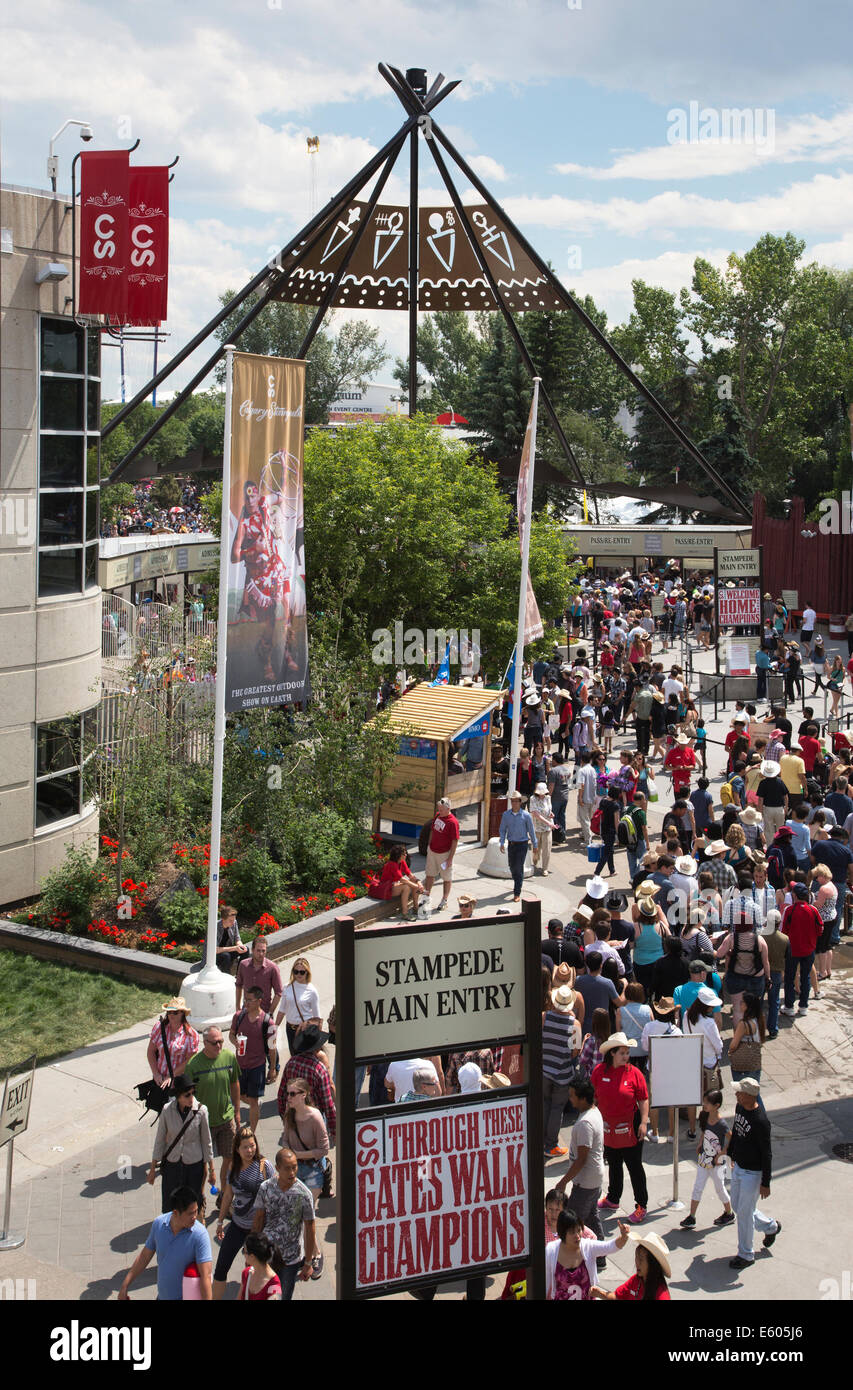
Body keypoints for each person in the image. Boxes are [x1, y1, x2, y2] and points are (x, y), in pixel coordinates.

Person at [591, 1033, 650, 1224]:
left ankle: (641, 1206)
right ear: (612, 1053)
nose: (626, 1057)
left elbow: (643, 1098)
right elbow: (593, 1097)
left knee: (634, 1167)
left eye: (627, 1053)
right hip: (607, 1128)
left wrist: (643, 1122)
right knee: (614, 1163)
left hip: (630, 1127)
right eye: (622, 1053)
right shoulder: (599, 1072)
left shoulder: (635, 1073)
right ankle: (613, 1199)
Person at [213, 1125, 276, 1298]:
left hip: (258, 1230)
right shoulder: (233, 1167)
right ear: (237, 1149)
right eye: (245, 1147)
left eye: (252, 1145)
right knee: (221, 1268)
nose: (250, 1150)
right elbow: (227, 1196)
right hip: (237, 1225)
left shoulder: (265, 1167)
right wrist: (219, 1222)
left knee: (253, 1272)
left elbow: (274, 1197)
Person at [119, 1185, 212, 1301]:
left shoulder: (200, 1235)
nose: (195, 1217)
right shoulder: (159, 1224)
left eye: (196, 1211)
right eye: (190, 1213)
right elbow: (144, 1256)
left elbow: (206, 1276)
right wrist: (125, 1285)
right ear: (176, 1213)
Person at [727, 1079, 780, 1270]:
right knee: (738, 1206)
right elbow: (736, 1132)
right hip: (739, 1166)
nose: (736, 1095)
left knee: (744, 1214)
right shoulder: (740, 1108)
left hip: (753, 1173)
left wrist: (765, 1182)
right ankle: (770, 1226)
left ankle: (746, 1254)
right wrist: (729, 1154)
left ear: (750, 1096)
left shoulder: (761, 1122)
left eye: (740, 1092)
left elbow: (767, 1153)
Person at [184, 1026, 242, 1200]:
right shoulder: (193, 1065)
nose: (219, 1045)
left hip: (226, 1118)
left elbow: (234, 1084)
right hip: (204, 1123)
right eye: (214, 1042)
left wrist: (237, 1111)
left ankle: (224, 1196)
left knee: (230, 1158)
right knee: (202, 1164)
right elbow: (188, 1096)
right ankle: (199, 1199)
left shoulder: (229, 1057)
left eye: (221, 1041)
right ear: (205, 1043)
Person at [281, 1076, 330, 1278]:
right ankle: (307, 1252)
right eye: (288, 1093)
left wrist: (297, 1155)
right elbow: (285, 1139)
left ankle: (315, 1255)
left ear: (304, 1095)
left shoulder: (315, 1117)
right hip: (294, 1169)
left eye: (293, 1094)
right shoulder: (289, 1115)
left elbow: (324, 1149)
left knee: (303, 1214)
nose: (289, 1097)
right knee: (299, 1215)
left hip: (313, 1172)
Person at [251, 1148, 317, 1297]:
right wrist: (252, 1252)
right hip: (267, 1255)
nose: (292, 1172)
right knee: (264, 1293)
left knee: (284, 1294)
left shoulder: (304, 1194)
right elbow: (258, 1219)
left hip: (291, 1259)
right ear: (277, 1168)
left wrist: (308, 1263)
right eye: (287, 1168)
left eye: (294, 1167)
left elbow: (310, 1227)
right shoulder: (266, 1188)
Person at [147, 1074, 215, 1213]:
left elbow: (206, 1141)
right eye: (187, 1095)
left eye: (192, 1094)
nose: (191, 1098)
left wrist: (212, 1170)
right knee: (170, 1204)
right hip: (172, 1164)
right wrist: (153, 1169)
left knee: (191, 1204)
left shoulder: (201, 1111)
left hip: (193, 1165)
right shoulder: (167, 1110)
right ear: (178, 1096)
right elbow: (159, 1140)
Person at [555, 1078, 606, 1240]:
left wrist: (563, 1182)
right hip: (594, 1179)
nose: (570, 1099)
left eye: (572, 1096)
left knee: (572, 1224)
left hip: (585, 1183)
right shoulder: (594, 1111)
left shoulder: (585, 1124)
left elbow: (581, 1160)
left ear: (583, 1098)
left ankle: (581, 1259)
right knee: (592, 1217)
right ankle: (600, 1256)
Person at [545, 1209, 631, 1300]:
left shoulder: (588, 1246)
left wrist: (623, 1237)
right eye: (572, 1232)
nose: (577, 1236)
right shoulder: (551, 1250)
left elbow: (609, 1247)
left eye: (579, 1230)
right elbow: (547, 1281)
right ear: (562, 1233)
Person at [680, 1089, 734, 1230]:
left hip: (717, 1164)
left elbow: (731, 1138)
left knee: (720, 1189)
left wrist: (722, 1153)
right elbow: (705, 1130)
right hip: (704, 1160)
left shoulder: (722, 1124)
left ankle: (729, 1213)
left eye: (707, 1103)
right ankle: (691, 1216)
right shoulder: (705, 1116)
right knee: (697, 1187)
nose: (704, 1105)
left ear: (716, 1105)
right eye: (704, 1102)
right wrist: (700, 1143)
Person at [230, 985, 279, 1132]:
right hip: (240, 1065)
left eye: (250, 1000)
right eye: (245, 999)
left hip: (257, 1066)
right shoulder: (238, 1016)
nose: (246, 1003)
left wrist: (272, 1069)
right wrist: (235, 1042)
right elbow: (231, 1034)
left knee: (252, 1100)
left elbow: (272, 1048)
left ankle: (251, 1132)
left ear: (259, 1001)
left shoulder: (268, 1023)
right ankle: (256, 1104)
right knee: (239, 1096)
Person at [279, 1026, 337, 1144]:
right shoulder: (319, 1070)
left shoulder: (291, 1063)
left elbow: (281, 1094)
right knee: (316, 1155)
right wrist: (334, 1130)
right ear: (317, 1048)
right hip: (313, 1119)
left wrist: (284, 1117)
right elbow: (328, 1104)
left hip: (293, 1116)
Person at [542, 984, 582, 1156]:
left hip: (544, 1069)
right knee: (557, 1108)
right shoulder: (575, 1024)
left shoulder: (544, 1017)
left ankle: (542, 1139)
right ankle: (551, 1145)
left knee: (544, 1105)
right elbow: (576, 1051)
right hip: (563, 1073)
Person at [779, 882, 823, 1016]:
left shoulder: (789, 910)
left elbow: (783, 931)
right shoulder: (813, 910)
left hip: (792, 949)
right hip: (809, 949)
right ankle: (803, 1006)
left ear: (794, 895)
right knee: (805, 977)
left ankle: (789, 1006)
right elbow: (820, 929)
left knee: (790, 978)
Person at [591, 1230, 672, 1300]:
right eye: (636, 1257)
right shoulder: (636, 1280)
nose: (637, 1263)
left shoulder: (661, 1295)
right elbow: (618, 1296)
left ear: (652, 1264)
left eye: (641, 1259)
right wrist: (600, 1293)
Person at [146, 997, 200, 1092]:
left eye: (175, 1012)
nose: (171, 1015)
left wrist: (171, 1075)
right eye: (169, 1012)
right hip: (159, 1079)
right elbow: (151, 1051)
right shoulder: (159, 1027)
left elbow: (189, 1060)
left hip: (178, 1083)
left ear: (182, 1013)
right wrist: (156, 1074)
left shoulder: (191, 1035)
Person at [420, 795, 460, 913]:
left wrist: (450, 859)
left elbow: (455, 841)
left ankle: (444, 900)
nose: (439, 811)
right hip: (432, 851)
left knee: (446, 878)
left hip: (444, 854)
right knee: (429, 874)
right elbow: (432, 829)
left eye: (441, 809)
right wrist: (429, 845)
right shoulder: (438, 816)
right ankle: (426, 897)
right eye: (439, 809)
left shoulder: (453, 822)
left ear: (448, 809)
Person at [275, 957, 322, 1055]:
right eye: (296, 971)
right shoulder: (287, 987)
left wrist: (318, 1040)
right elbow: (282, 1010)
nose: (298, 974)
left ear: (307, 972)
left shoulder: (312, 991)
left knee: (305, 1059)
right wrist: (275, 1027)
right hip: (290, 1029)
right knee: (294, 1057)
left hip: (304, 1031)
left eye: (302, 972)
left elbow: (317, 1018)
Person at [499, 789, 538, 901]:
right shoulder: (506, 815)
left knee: (518, 867)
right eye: (513, 801)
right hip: (511, 844)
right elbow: (502, 829)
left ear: (520, 802)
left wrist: (535, 845)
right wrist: (502, 842)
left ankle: (517, 892)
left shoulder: (526, 815)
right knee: (512, 866)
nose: (515, 803)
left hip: (522, 845)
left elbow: (531, 831)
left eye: (517, 801)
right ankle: (517, 881)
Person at [368, 844, 425, 920]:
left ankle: (416, 908)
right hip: (386, 888)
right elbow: (402, 879)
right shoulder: (392, 864)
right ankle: (405, 913)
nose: (406, 855)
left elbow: (410, 875)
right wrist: (417, 887)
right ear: (398, 855)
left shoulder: (402, 862)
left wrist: (419, 883)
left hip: (394, 885)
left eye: (406, 853)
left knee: (413, 882)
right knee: (406, 887)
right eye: (404, 854)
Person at [235, 934, 283, 1016]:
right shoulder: (243, 965)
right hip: (246, 1011)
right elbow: (238, 985)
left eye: (263, 951)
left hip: (264, 1013)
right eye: (258, 950)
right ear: (252, 950)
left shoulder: (272, 968)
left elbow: (278, 993)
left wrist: (270, 1012)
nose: (261, 954)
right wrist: (237, 1007)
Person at [729, 993, 765, 1089]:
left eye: (742, 1002)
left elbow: (733, 1045)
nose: (740, 1004)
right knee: (753, 1094)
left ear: (747, 1006)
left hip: (743, 1065)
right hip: (754, 1062)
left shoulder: (744, 1024)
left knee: (743, 1094)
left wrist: (730, 1052)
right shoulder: (757, 1020)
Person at [238, 1232, 282, 1301]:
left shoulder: (274, 1285)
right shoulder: (246, 1273)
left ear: (252, 1256)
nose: (243, 1254)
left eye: (244, 1251)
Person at [215, 905, 248, 975]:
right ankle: (227, 979)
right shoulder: (215, 927)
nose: (233, 922)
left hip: (228, 951)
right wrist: (234, 948)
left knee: (246, 950)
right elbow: (214, 950)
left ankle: (240, 977)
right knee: (226, 956)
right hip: (215, 955)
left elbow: (237, 938)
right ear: (223, 919)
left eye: (234, 920)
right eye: (230, 920)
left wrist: (240, 946)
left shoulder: (234, 922)